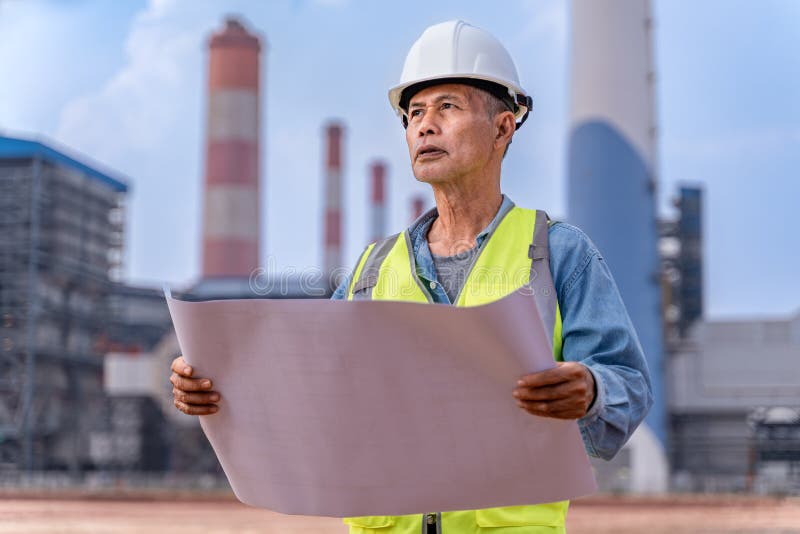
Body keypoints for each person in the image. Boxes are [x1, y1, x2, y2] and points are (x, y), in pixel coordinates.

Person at [171, 20, 652, 534]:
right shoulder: (370, 270)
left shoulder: (557, 254)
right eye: (415, 113)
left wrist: (592, 389)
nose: (424, 125)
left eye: (447, 107)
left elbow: (629, 386)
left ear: (503, 128)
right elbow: (310, 391)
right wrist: (216, 387)